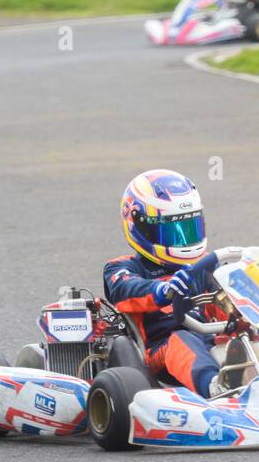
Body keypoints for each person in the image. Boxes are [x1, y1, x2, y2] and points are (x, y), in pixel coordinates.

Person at [103, 169, 247, 398]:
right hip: (159, 352)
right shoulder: (122, 268)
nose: (183, 239)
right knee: (183, 339)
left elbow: (227, 303)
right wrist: (162, 290)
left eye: (190, 228)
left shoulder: (206, 266)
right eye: (172, 231)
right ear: (141, 226)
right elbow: (126, 290)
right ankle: (216, 388)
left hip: (210, 339)